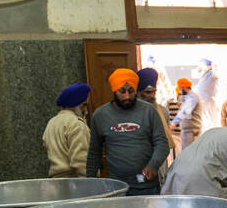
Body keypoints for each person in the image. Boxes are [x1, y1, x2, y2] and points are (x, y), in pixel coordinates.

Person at [86, 68, 169, 196]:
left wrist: (153, 165)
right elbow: (94, 152)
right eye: (122, 91)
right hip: (116, 188)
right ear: (114, 90)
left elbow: (162, 143)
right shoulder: (100, 115)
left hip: (146, 187)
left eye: (131, 91)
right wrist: (90, 183)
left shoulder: (148, 111)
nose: (127, 96)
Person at [43, 82, 91, 178]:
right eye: (85, 105)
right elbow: (81, 161)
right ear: (78, 105)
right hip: (74, 185)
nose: (86, 110)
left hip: (56, 183)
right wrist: (92, 184)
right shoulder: (77, 124)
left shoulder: (52, 122)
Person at [137, 67, 177, 176]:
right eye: (148, 92)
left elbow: (164, 141)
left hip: (159, 162)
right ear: (139, 93)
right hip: (140, 162)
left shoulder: (163, 111)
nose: (151, 96)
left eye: (153, 92)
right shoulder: (133, 113)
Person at [170, 76, 201, 153]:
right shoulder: (188, 97)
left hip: (191, 131)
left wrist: (173, 123)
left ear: (184, 88)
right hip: (188, 131)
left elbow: (184, 112)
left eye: (180, 89)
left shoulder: (192, 97)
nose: (180, 91)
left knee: (188, 155)